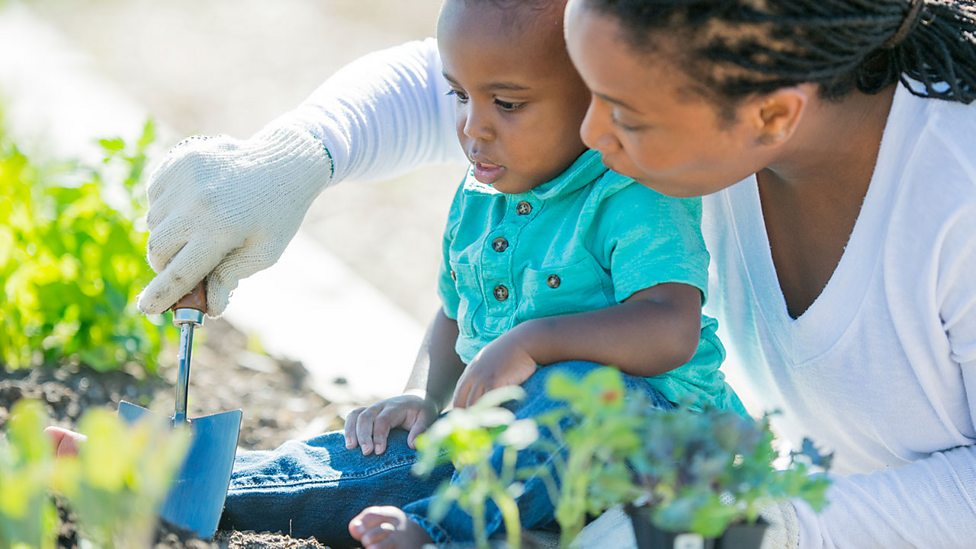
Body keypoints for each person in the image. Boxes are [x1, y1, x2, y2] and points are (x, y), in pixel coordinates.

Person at [138, 0, 976, 547]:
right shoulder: (689, 82)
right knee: (414, 452)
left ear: (772, 115)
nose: (591, 137)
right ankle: (197, 482)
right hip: (676, 486)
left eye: (624, 115)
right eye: (589, 96)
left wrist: (774, 529)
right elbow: (497, 74)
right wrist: (297, 157)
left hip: (785, 508)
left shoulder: (956, 198)